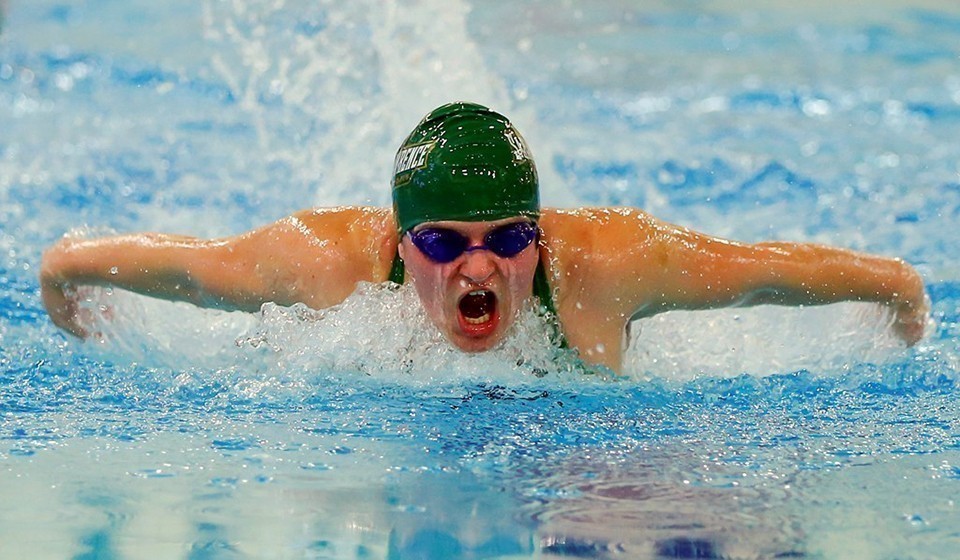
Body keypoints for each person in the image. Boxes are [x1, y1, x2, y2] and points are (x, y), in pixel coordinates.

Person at [40, 102, 929, 374]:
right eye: (443, 244)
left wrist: (894, 286)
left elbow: (760, 274)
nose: (478, 265)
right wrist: (62, 275)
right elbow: (195, 273)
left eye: (507, 237)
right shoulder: (326, 264)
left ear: (538, 237)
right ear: (400, 242)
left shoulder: (610, 264)